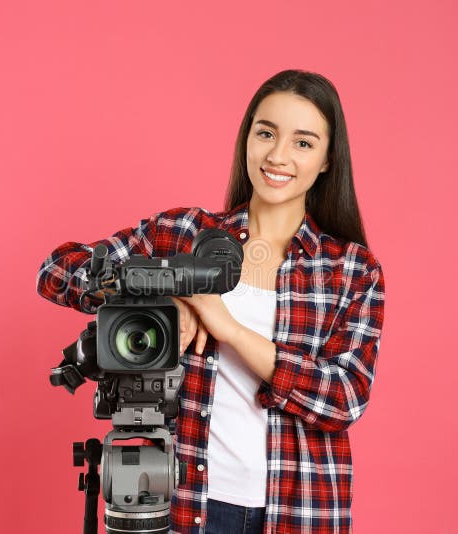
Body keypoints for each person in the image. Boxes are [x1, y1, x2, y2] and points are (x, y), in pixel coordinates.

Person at [36, 69, 386, 534]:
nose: (278, 155)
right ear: (247, 139)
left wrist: (230, 330)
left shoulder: (352, 270)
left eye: (302, 143)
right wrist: (166, 292)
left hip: (299, 511)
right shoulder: (183, 233)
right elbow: (58, 270)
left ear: (326, 160)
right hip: (182, 505)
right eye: (266, 134)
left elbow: (344, 397)